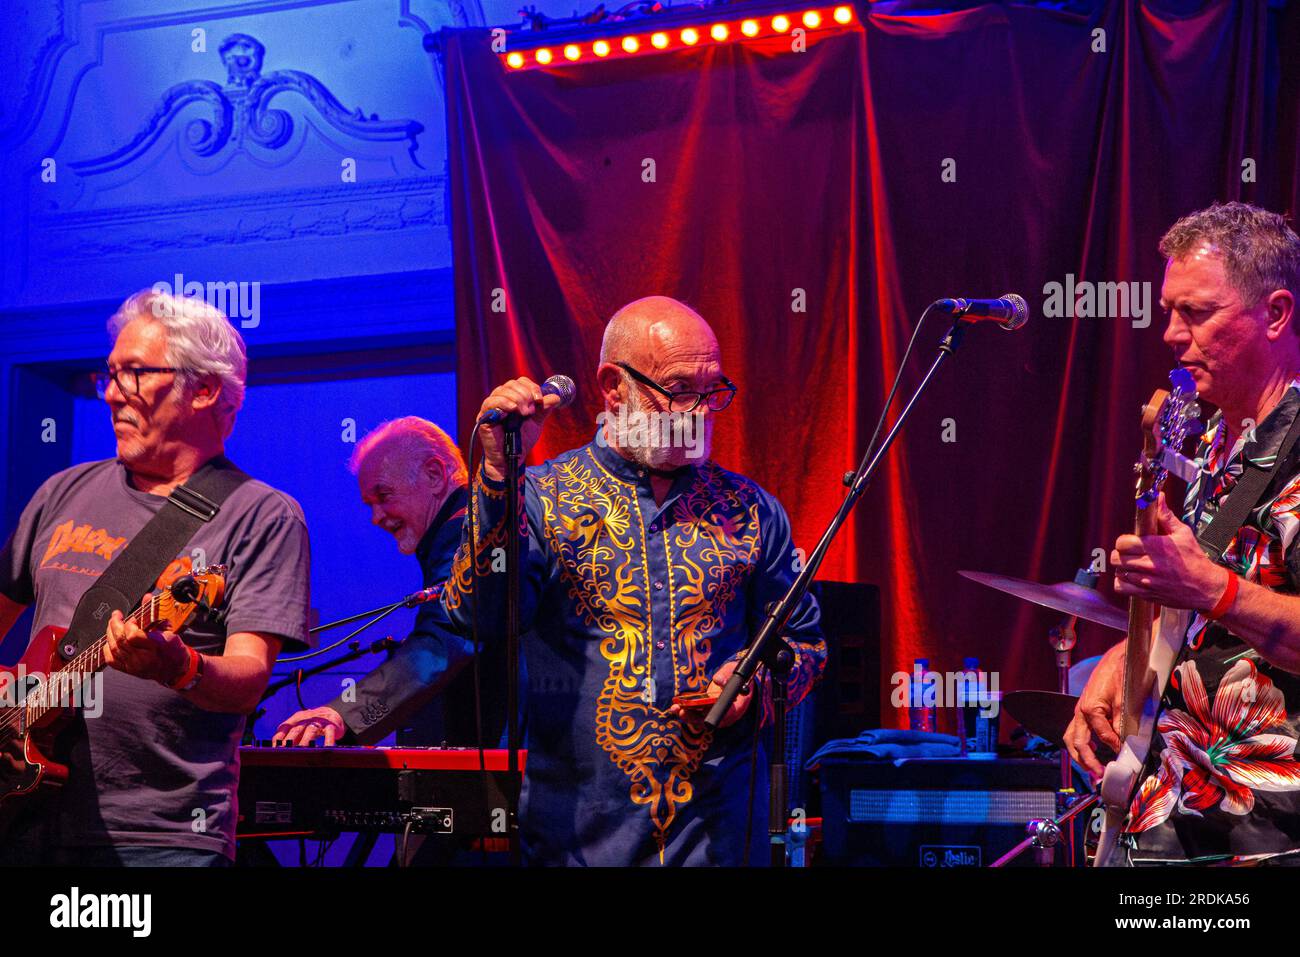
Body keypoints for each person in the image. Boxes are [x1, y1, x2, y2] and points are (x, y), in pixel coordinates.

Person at [443, 295, 826, 865]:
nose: (699, 410)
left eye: (712, 390)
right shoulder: (543, 498)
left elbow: (806, 645)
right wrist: (498, 479)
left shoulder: (750, 510)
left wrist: (751, 681)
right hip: (579, 838)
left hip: (718, 834)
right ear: (613, 385)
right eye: (678, 390)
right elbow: (475, 614)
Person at [0, 290, 311, 866]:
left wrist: (182, 666)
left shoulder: (262, 514)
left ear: (204, 389)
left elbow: (247, 678)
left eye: (136, 374)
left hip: (159, 837)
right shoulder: (60, 493)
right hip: (21, 815)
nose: (113, 393)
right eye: (110, 375)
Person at [1066, 202, 1300, 864]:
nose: (1170, 333)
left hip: (1266, 839)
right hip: (1173, 822)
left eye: (1195, 313)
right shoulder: (1219, 445)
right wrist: (1124, 658)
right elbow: (1203, 617)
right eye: (1169, 310)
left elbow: (1218, 594)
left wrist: (1211, 587)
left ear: (1276, 314)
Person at [271, 417, 504, 749]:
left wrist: (342, 713)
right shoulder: (463, 530)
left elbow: (445, 639)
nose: (376, 516)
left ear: (435, 475)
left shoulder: (467, 533)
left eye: (384, 495)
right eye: (370, 504)